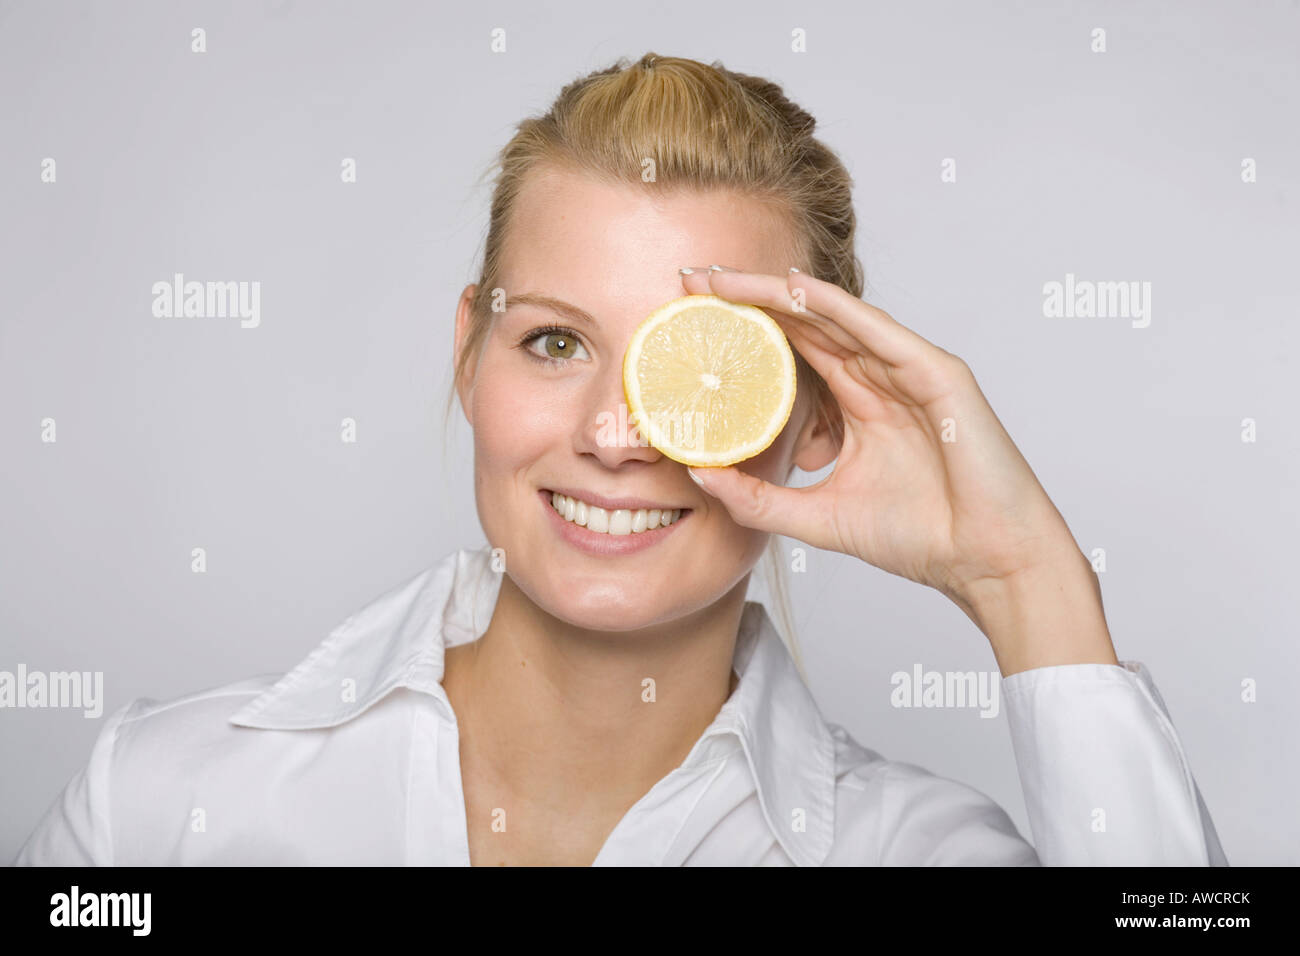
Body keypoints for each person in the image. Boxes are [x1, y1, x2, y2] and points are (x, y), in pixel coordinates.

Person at [13, 52, 1226, 866]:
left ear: (813, 414)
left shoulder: (918, 854)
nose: (612, 432)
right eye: (555, 341)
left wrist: (1028, 583)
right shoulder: (158, 808)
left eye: (700, 367)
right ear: (469, 352)